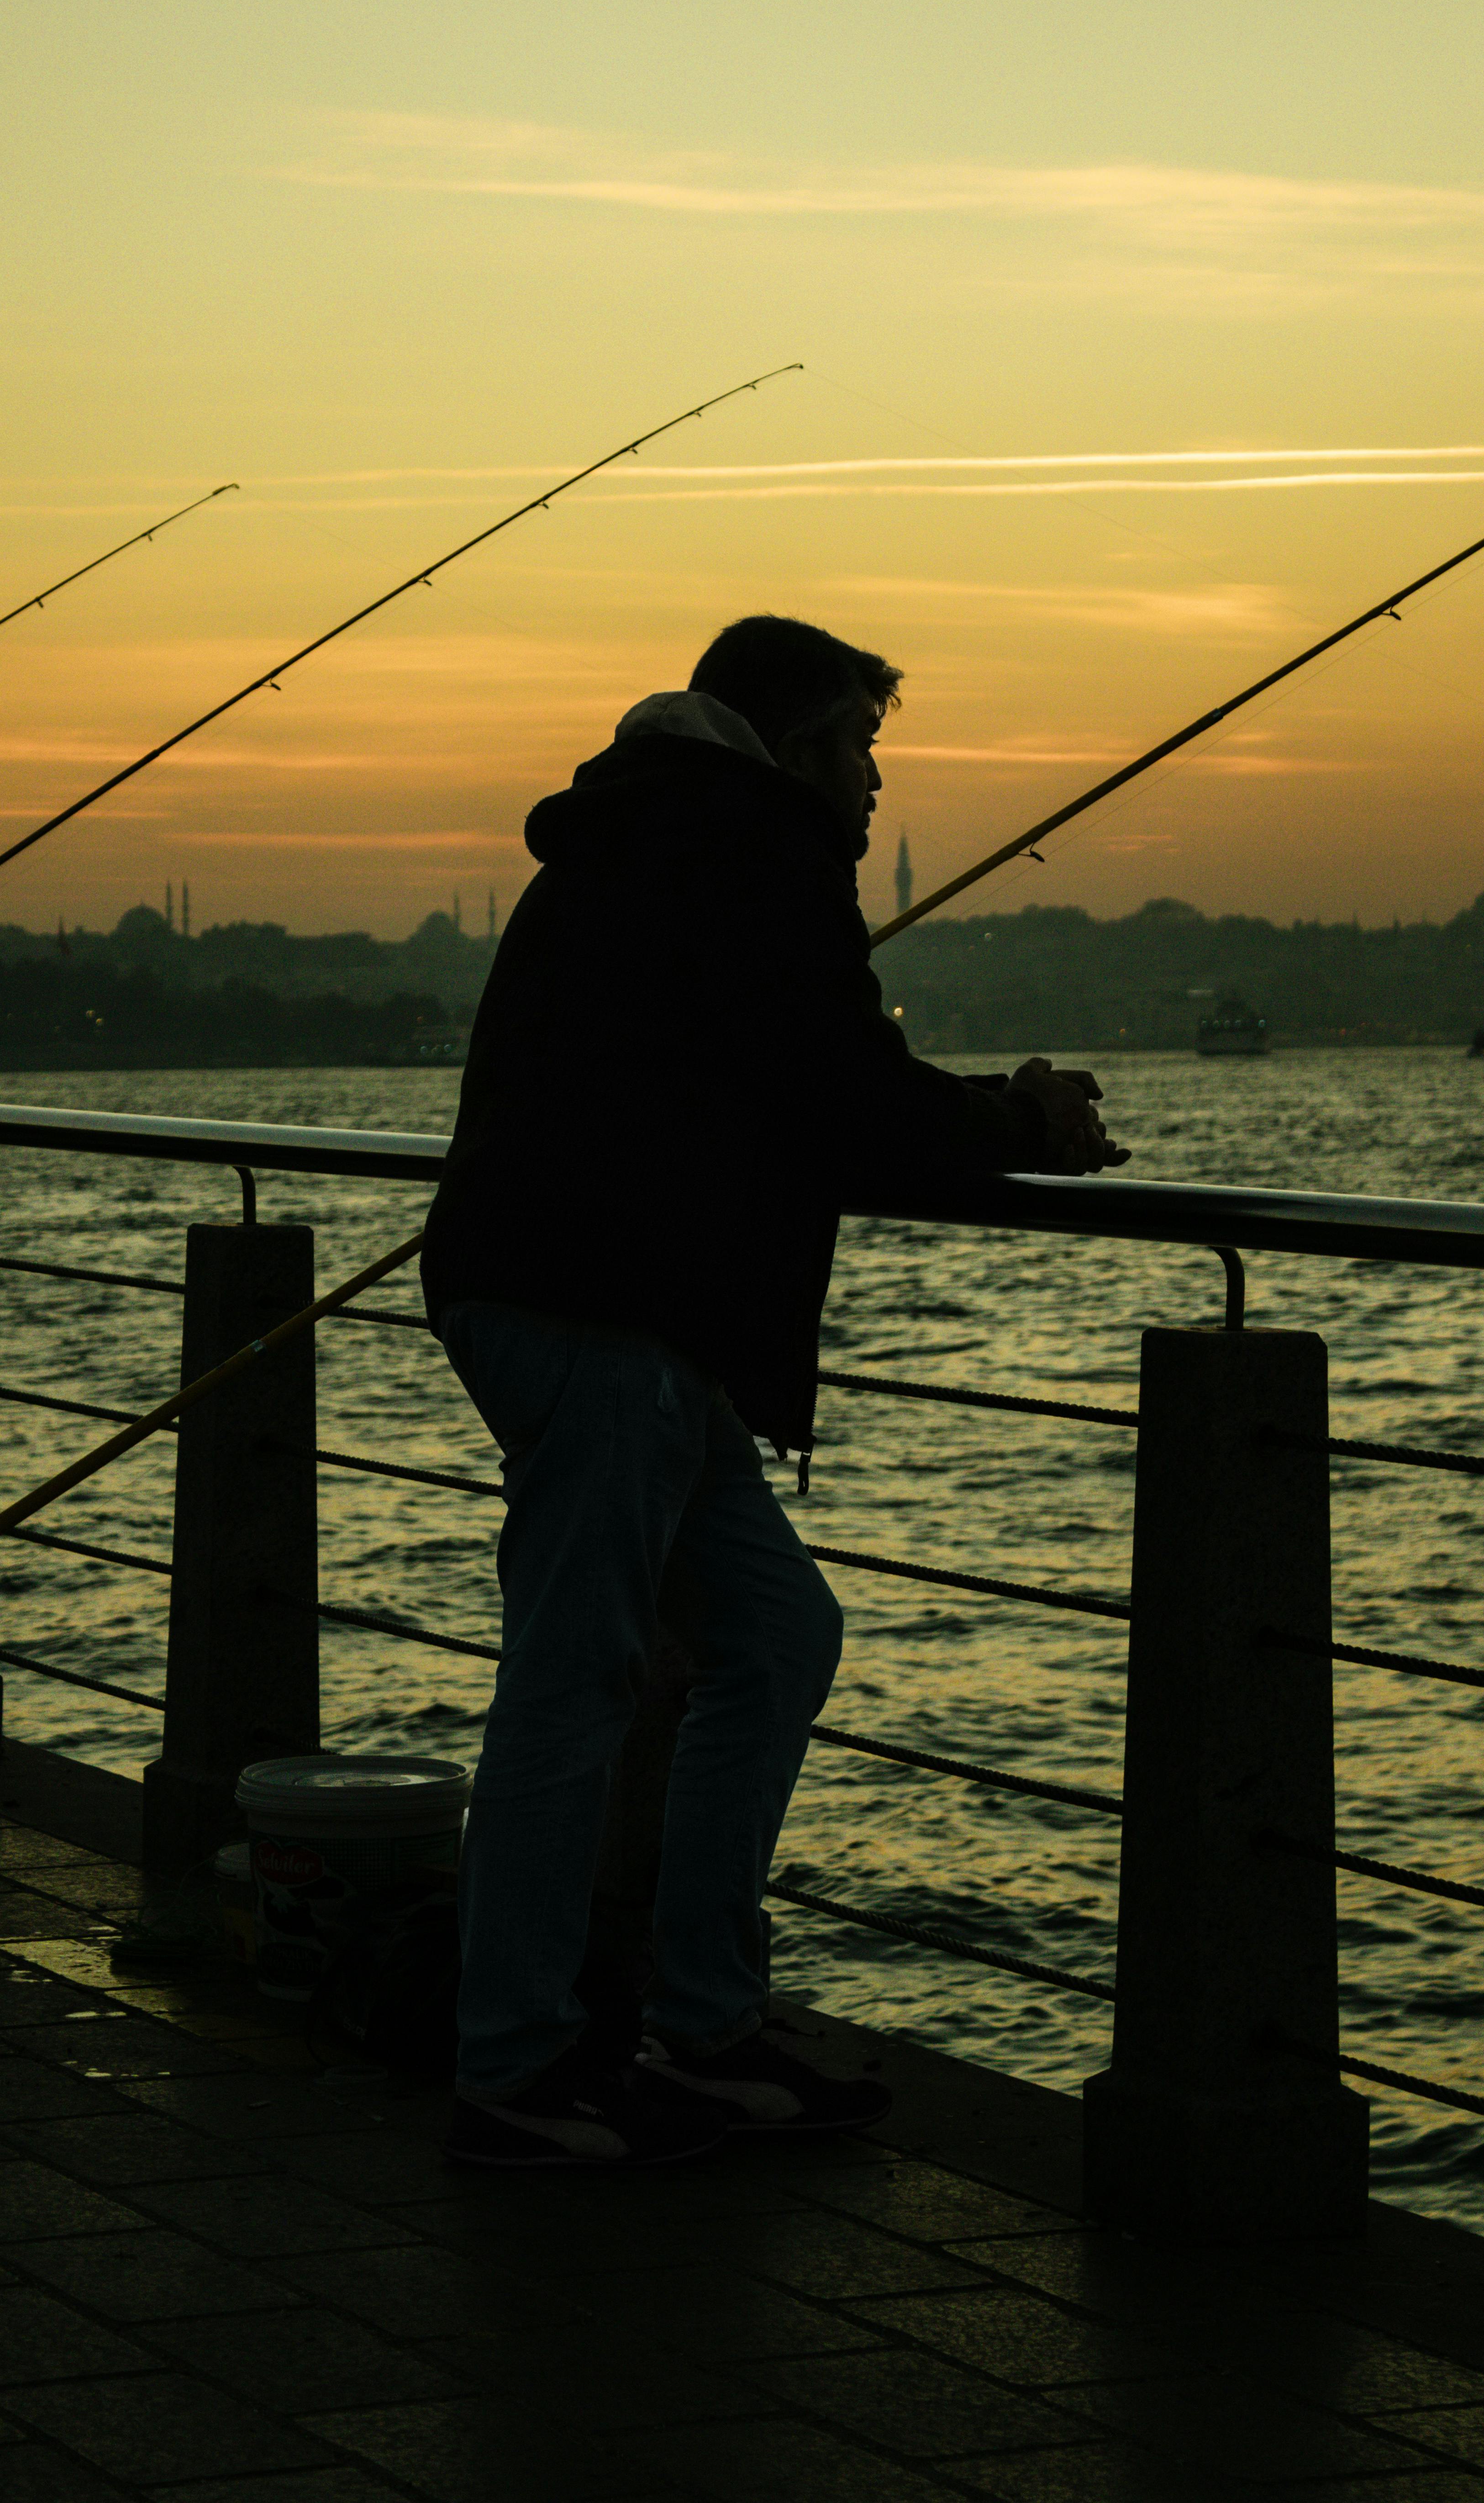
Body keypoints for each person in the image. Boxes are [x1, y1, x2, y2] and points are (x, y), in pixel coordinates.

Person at [421, 615, 1127, 2167]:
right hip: (610, 1312)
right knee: (574, 1681)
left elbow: (778, 1071)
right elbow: (845, 1096)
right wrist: (1014, 1113)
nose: (876, 788)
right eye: (866, 748)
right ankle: (518, 2068)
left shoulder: (637, 838)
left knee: (776, 1634)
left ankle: (703, 2025)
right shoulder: (757, 853)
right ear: (804, 744)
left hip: (588, 1307)